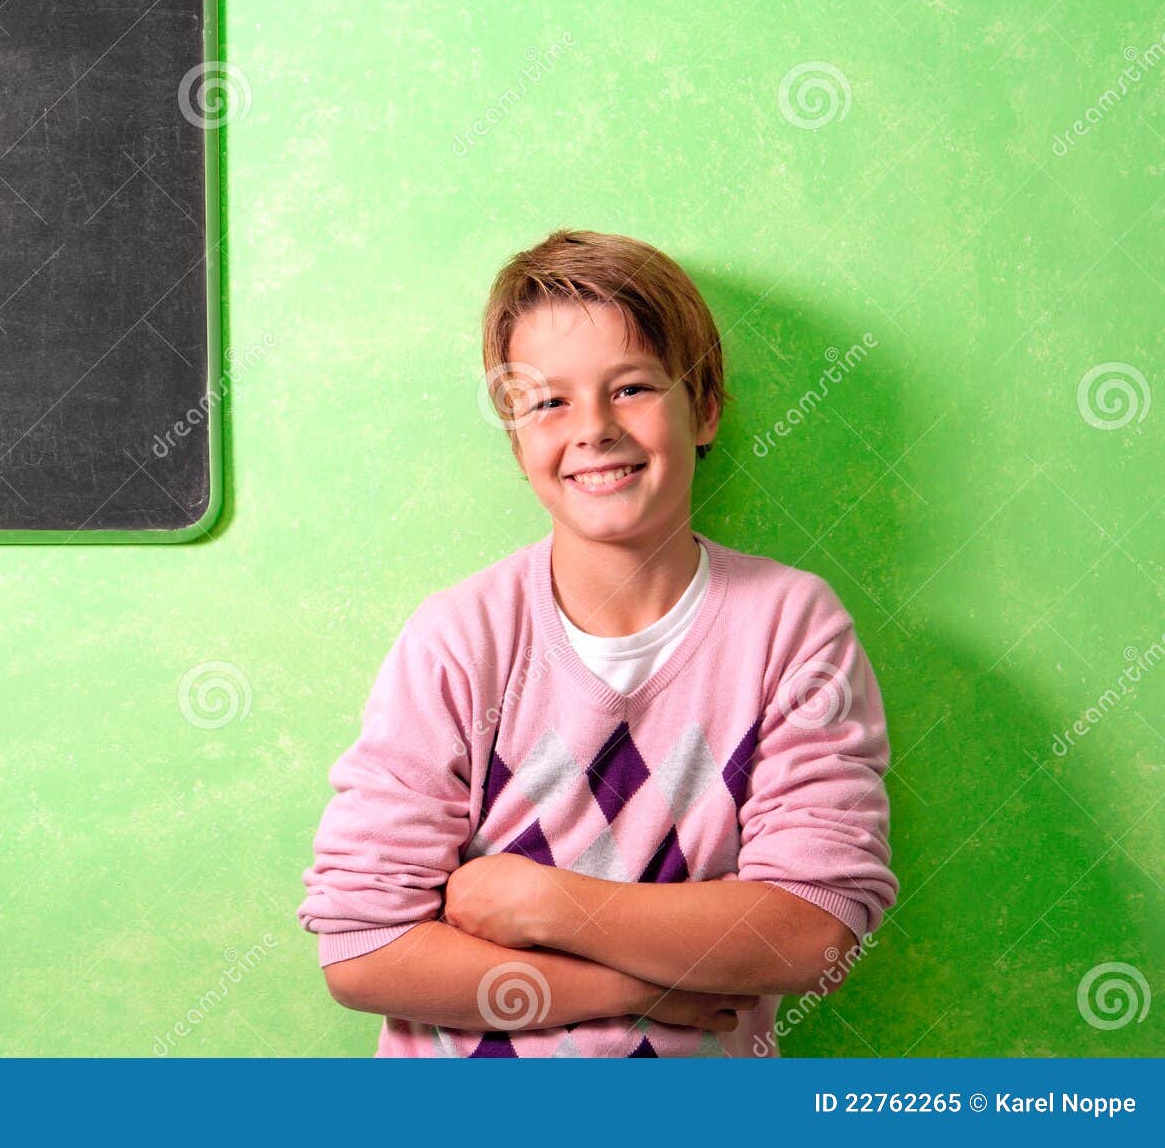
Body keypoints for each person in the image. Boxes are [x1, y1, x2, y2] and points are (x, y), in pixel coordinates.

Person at [296, 229, 898, 1057]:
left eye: (633, 388)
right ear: (517, 438)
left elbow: (811, 931)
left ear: (707, 408)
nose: (594, 429)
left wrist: (545, 904)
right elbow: (363, 952)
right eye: (548, 402)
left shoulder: (790, 627)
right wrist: (643, 990)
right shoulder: (459, 639)